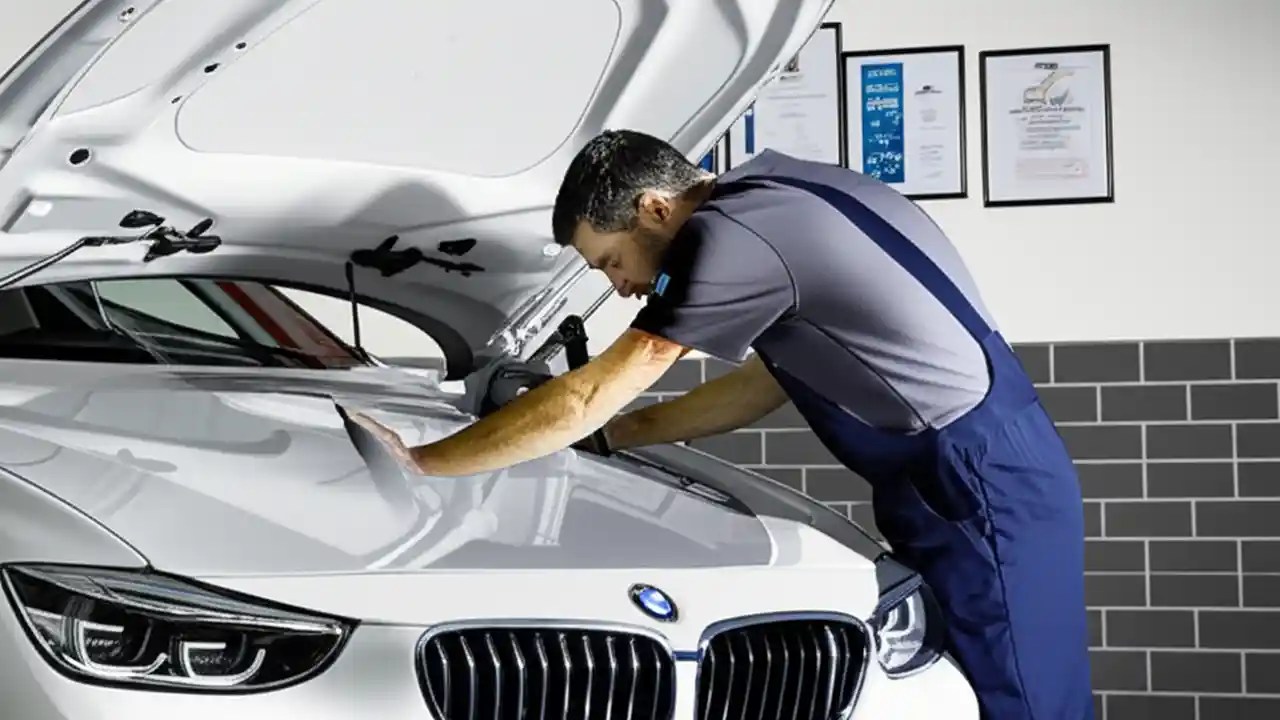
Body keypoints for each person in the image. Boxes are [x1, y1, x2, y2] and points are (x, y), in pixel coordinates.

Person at [351, 129, 1094, 719]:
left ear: (654, 209)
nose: (621, 286)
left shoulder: (730, 239)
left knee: (1022, 702)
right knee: (974, 689)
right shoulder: (789, 190)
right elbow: (759, 388)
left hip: (977, 477)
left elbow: (589, 394)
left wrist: (426, 462)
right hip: (980, 467)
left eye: (609, 260)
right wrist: (619, 437)